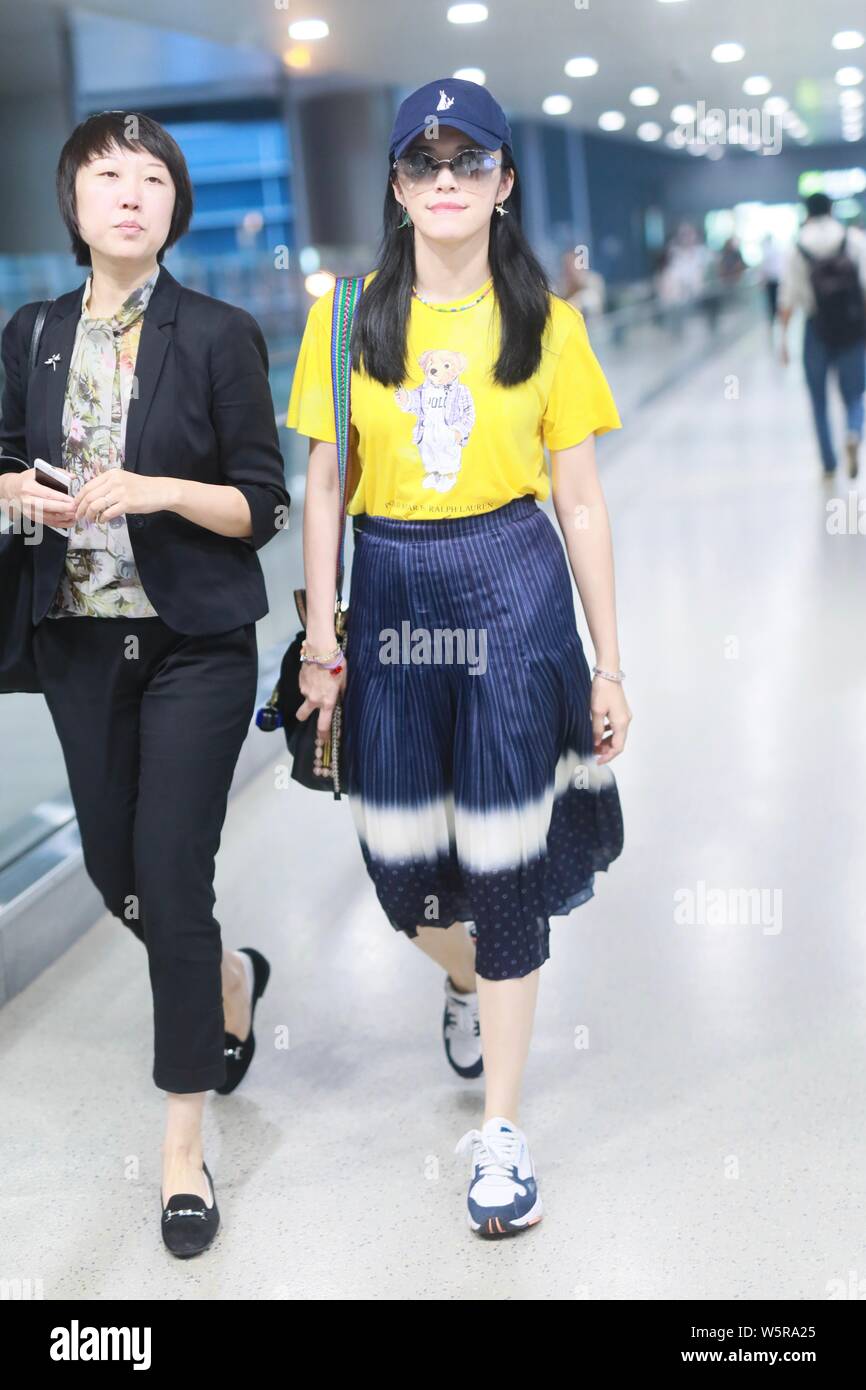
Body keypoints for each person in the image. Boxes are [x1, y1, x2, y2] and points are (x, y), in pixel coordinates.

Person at [286, 77, 630, 1238]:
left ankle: (501, 1130)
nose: (446, 182)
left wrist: (609, 661)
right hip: (388, 589)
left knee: (504, 858)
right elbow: (324, 484)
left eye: (467, 161)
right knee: (398, 867)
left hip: (512, 583)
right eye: (424, 164)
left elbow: (578, 501)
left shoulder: (547, 324)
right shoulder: (344, 318)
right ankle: (468, 973)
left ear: (501, 182)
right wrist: (320, 629)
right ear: (396, 185)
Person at [0, 111, 290, 1258]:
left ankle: (181, 1152)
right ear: (72, 204)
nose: (131, 194)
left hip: (195, 647)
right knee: (117, 872)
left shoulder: (215, 335)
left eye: (153, 177)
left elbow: (257, 504)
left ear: (175, 204)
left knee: (169, 875)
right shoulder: (28, 336)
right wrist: (22, 493)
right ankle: (223, 974)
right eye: (107, 177)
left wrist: (154, 489)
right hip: (78, 643)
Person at [778, 192, 866, 478]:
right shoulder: (853, 240)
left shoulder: (797, 247)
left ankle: (829, 461)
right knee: (854, 394)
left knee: (818, 399)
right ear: (831, 209)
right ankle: (853, 432)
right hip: (852, 328)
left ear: (806, 212)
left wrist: (782, 340)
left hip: (816, 329)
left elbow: (787, 298)